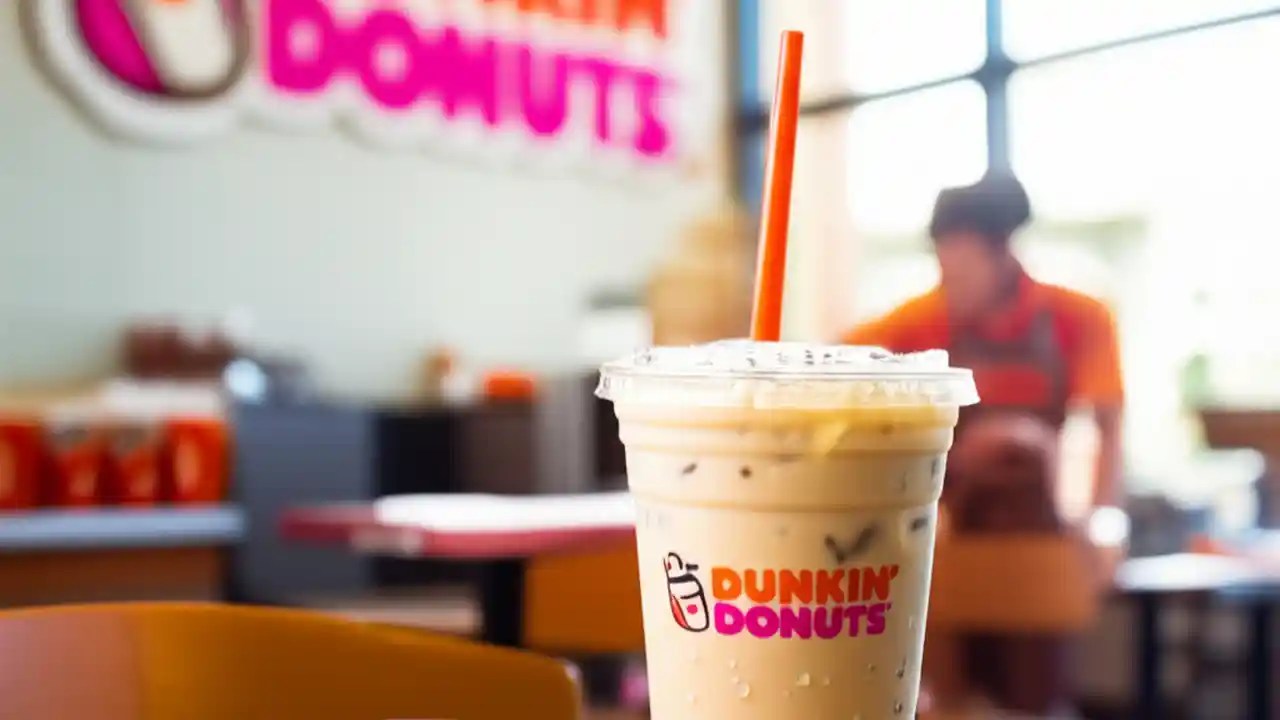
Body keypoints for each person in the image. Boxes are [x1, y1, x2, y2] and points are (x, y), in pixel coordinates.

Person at [842, 173, 1124, 714]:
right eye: (942, 260)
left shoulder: (1078, 317)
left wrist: (1097, 519)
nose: (951, 275)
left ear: (1002, 252)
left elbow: (1101, 428)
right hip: (948, 530)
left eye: (963, 260)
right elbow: (835, 369)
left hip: (1039, 527)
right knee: (950, 693)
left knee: (1031, 697)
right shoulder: (921, 320)